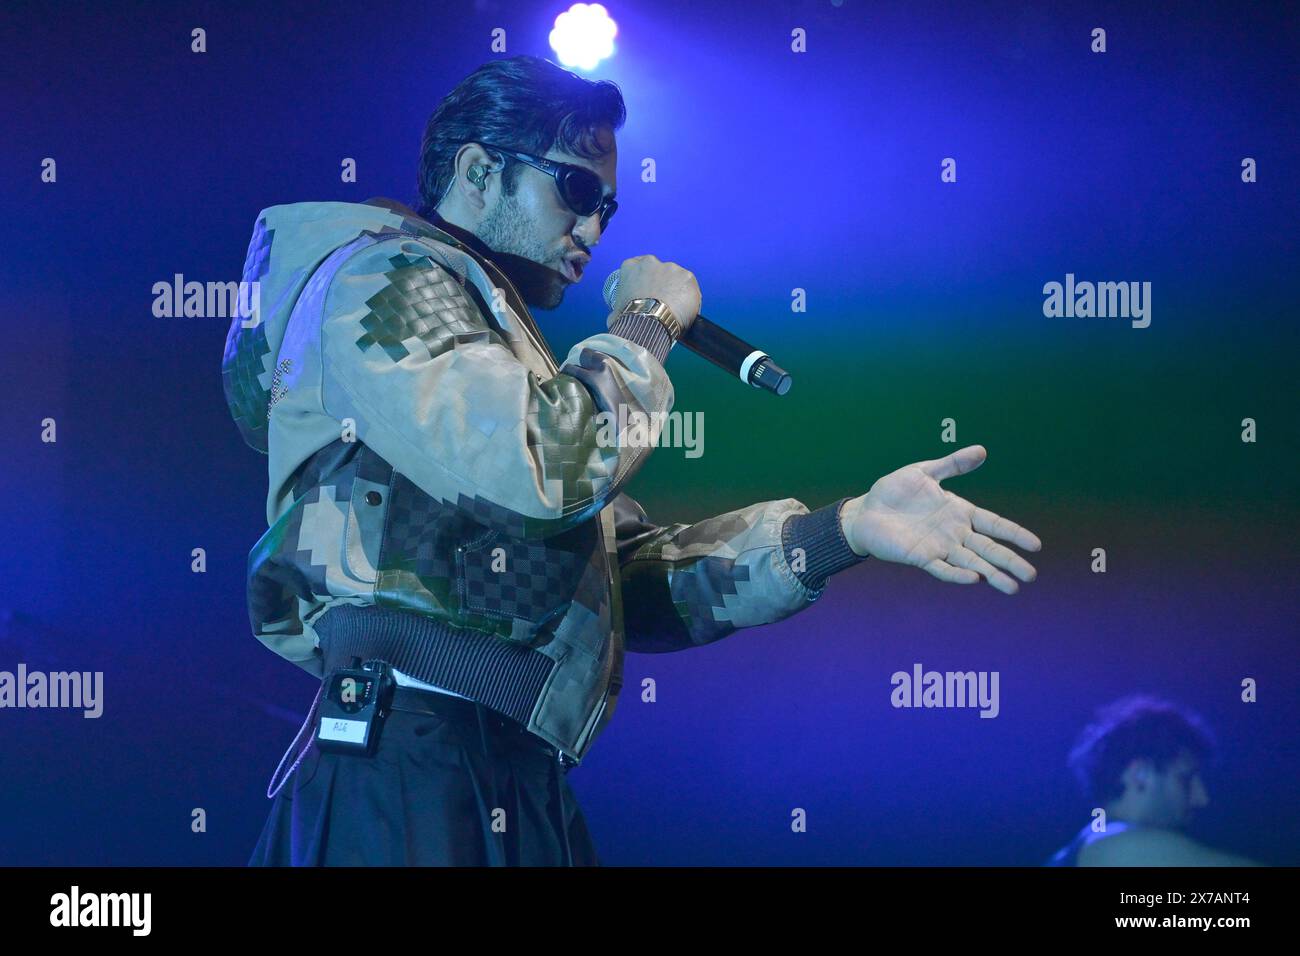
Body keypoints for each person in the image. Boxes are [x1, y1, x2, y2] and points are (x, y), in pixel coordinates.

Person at [222, 54, 1042, 866]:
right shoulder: (384, 275)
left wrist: (845, 530)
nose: (594, 231)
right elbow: (550, 463)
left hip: (502, 761)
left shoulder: (495, 354)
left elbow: (625, 583)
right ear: (478, 170)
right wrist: (647, 324)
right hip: (414, 759)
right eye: (575, 190)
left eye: (607, 207)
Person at [1046, 695, 1258, 866]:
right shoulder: (1117, 846)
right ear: (1140, 774)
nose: (1201, 798)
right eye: (1185, 779)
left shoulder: (1084, 849)